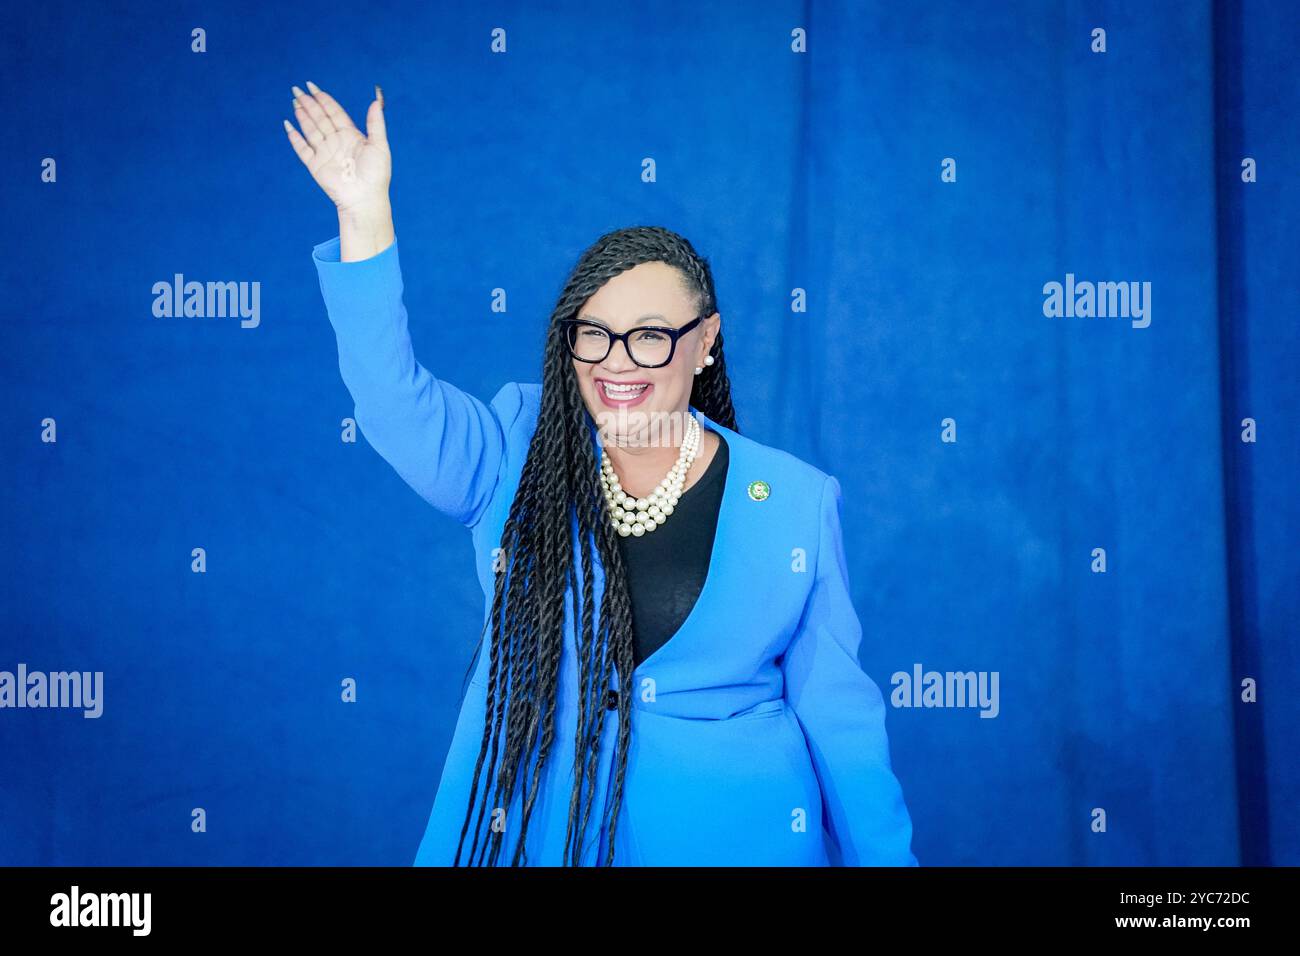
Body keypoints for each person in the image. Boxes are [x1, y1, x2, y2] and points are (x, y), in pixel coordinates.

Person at [285, 81, 918, 866]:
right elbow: (391, 404)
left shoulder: (792, 499)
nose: (618, 362)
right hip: (555, 838)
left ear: (706, 340)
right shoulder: (515, 450)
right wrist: (363, 216)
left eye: (651, 335)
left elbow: (840, 723)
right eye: (596, 334)